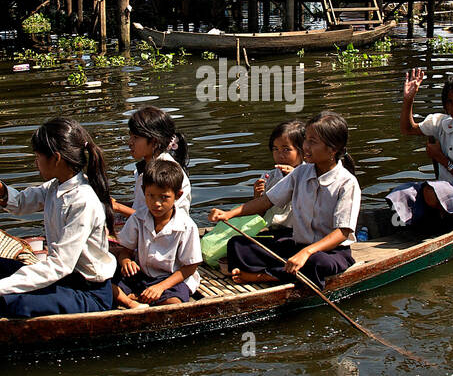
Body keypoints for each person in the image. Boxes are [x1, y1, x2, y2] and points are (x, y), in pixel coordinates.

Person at [0, 118, 116, 317]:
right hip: (64, 279)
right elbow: (20, 203)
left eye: (38, 156)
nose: (36, 162)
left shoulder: (83, 201)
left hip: (88, 292)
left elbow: (58, 265)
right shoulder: (55, 186)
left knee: (16, 302)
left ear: (55, 158)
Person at [209, 111, 360, 289]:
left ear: (332, 149)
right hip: (298, 246)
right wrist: (228, 214)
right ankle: (286, 271)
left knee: (317, 263)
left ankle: (266, 277)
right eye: (306, 140)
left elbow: (343, 231)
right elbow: (267, 201)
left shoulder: (347, 183)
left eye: (313, 142)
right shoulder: (301, 173)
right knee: (238, 244)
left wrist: (307, 252)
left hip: (329, 252)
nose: (306, 147)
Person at [387, 69, 453, 230]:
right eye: (450, 102)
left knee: (430, 193)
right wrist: (408, 100)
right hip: (445, 191)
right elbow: (408, 129)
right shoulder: (442, 123)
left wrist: (440, 158)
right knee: (401, 194)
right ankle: (437, 216)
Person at [113, 159, 201, 308]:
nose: (156, 203)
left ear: (177, 195)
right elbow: (125, 252)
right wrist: (126, 262)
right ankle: (132, 301)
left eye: (164, 197)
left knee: (172, 303)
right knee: (107, 285)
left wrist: (160, 287)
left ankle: (137, 298)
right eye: (150, 196)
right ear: (143, 191)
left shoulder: (187, 226)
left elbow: (190, 267)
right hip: (142, 275)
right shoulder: (138, 218)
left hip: (172, 278)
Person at [112, 105, 191, 219]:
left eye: (135, 137)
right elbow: (141, 208)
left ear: (154, 141)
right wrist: (113, 204)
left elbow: (158, 218)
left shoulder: (166, 172)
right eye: (130, 137)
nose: (130, 142)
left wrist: (118, 207)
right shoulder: (146, 168)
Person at [253, 119, 305, 235]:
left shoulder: (310, 175)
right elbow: (259, 215)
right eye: (275, 149)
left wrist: (297, 177)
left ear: (302, 150)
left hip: (299, 232)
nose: (280, 155)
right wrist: (257, 196)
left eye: (286, 149)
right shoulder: (269, 177)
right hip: (271, 230)